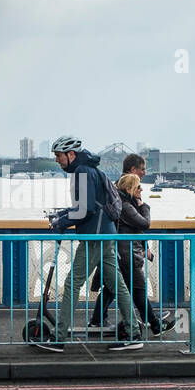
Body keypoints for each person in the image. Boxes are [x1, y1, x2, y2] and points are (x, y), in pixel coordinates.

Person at [37, 135, 142, 352]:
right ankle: (133, 333)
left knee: (72, 284)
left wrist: (62, 222)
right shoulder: (90, 170)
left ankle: (58, 337)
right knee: (118, 285)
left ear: (71, 154)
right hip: (105, 234)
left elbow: (85, 210)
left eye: (59, 155)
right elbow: (87, 206)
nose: (57, 160)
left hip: (94, 237)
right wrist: (64, 215)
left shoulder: (82, 172)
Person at [88, 173, 175, 335]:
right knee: (139, 289)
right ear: (129, 189)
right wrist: (144, 207)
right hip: (127, 255)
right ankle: (155, 325)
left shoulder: (119, 202)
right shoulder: (126, 206)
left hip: (119, 253)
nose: (141, 189)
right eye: (138, 187)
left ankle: (96, 320)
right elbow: (144, 223)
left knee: (112, 288)